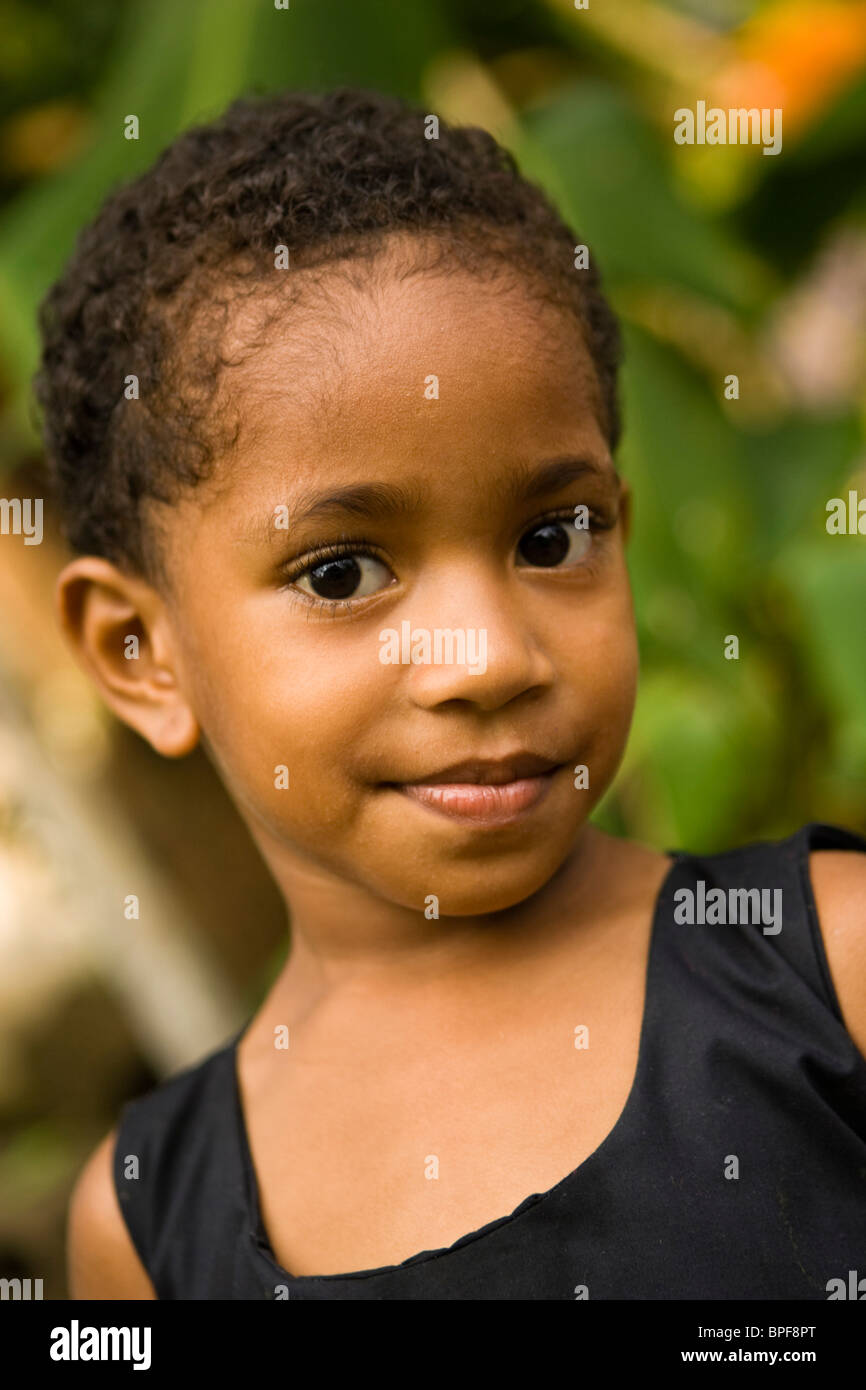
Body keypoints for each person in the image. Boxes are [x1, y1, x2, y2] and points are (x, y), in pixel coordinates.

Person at [34, 86, 866, 1300]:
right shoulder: (145, 1226)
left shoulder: (828, 969)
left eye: (549, 536)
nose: (489, 655)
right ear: (137, 652)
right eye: (341, 571)